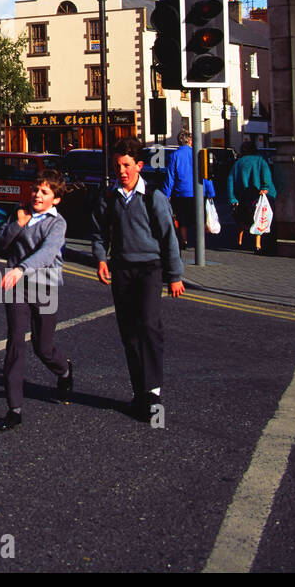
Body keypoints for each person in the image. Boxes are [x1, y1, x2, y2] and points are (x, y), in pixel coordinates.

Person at [90, 136, 185, 421]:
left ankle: (153, 392)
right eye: (118, 165)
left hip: (150, 268)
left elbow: (169, 237)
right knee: (129, 333)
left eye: (127, 165)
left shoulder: (153, 197)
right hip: (122, 269)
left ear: (139, 166)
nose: (121, 171)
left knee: (149, 326)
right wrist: (101, 259)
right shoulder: (109, 196)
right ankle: (139, 392)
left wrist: (175, 275)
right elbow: (97, 233)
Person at [0, 170, 74, 432]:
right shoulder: (20, 213)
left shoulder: (57, 224)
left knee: (43, 347)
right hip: (17, 287)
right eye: (36, 189)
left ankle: (64, 371)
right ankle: (14, 409)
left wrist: (21, 269)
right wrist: (18, 224)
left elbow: (48, 253)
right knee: (15, 342)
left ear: (56, 199)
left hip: (45, 286)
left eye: (45, 192)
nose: (38, 195)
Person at [229, 139, 276, 252]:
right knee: (258, 218)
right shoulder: (260, 161)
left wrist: (232, 197)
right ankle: (257, 245)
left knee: (241, 220)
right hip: (258, 196)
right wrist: (265, 188)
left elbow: (230, 181)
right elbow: (266, 176)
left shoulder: (238, 163)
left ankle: (239, 241)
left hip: (243, 197)